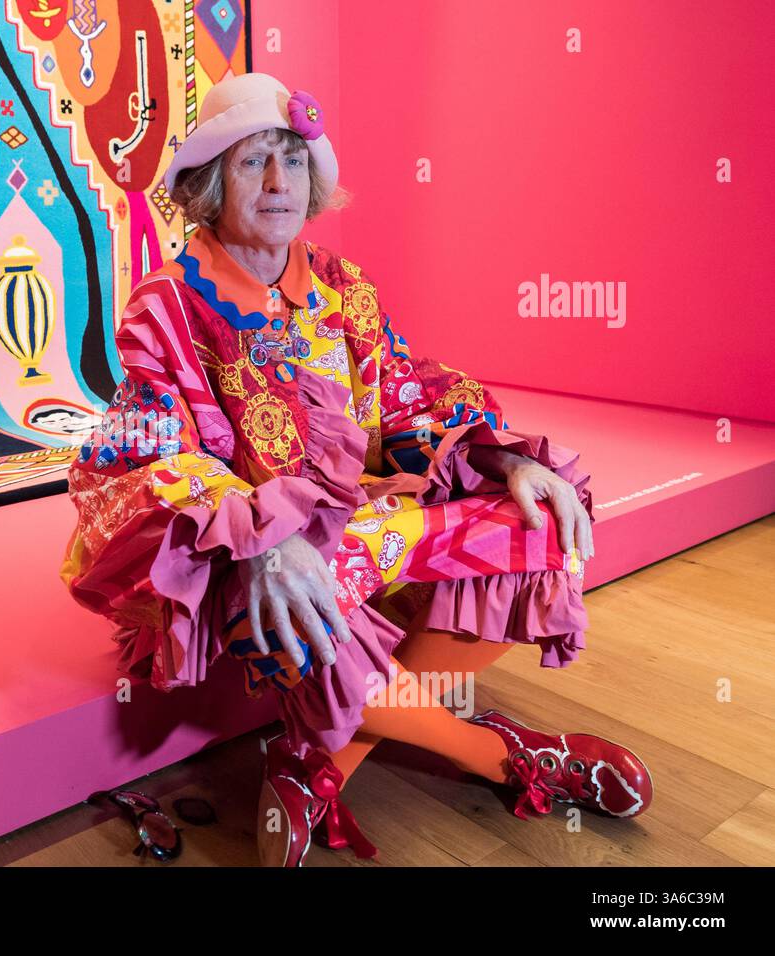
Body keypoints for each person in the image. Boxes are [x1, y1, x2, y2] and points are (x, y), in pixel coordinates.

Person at [59, 73, 652, 866]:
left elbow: (406, 404)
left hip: (362, 526)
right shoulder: (164, 308)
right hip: (256, 553)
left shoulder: (343, 287)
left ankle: (316, 765)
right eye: (252, 161)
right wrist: (265, 539)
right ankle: (508, 760)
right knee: (291, 586)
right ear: (207, 184)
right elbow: (151, 457)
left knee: (543, 512)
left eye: (293, 161)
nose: (278, 183)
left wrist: (505, 457)